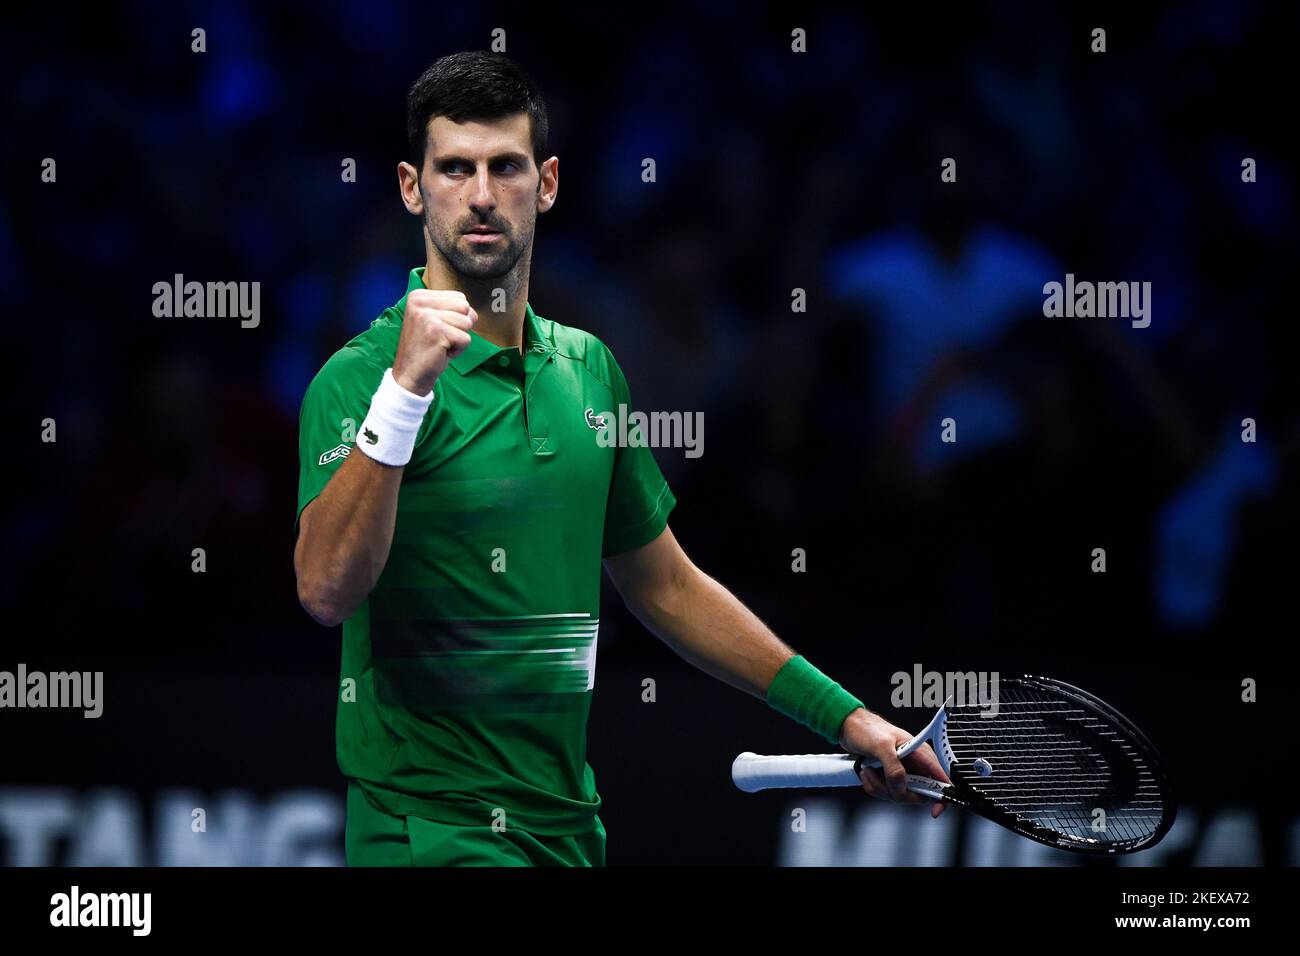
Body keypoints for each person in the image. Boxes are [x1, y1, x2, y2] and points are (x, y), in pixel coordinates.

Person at [293, 50, 948, 866]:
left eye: (507, 166)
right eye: (455, 169)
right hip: (425, 836)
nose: (484, 194)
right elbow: (324, 589)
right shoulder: (359, 379)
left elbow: (666, 585)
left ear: (550, 183)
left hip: (568, 832)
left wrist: (851, 720)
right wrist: (404, 395)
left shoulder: (591, 371)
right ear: (411, 188)